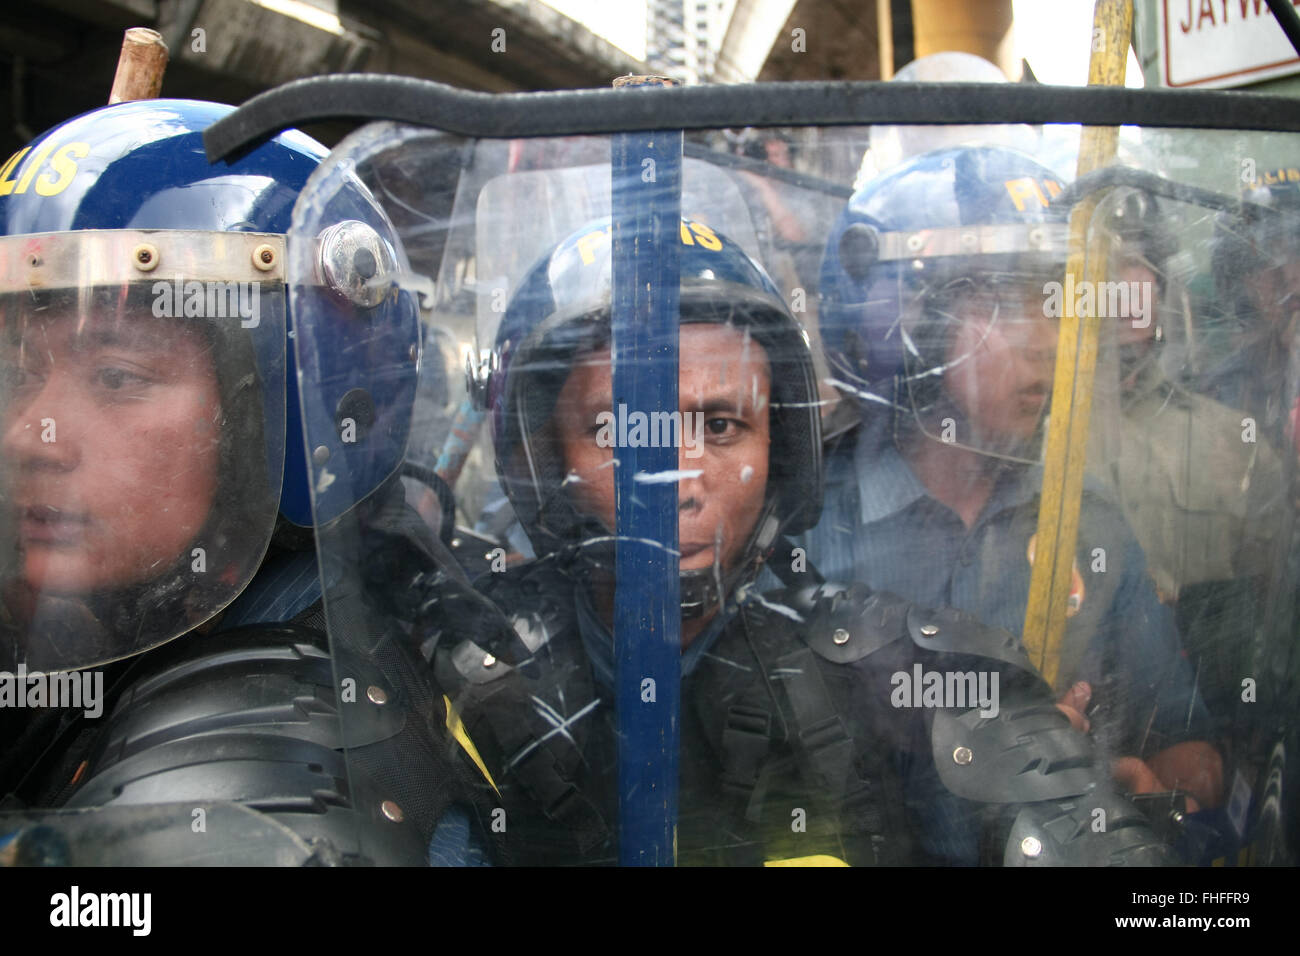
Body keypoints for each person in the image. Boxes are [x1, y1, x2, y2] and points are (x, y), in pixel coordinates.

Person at [423, 214, 1171, 866]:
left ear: (780, 448)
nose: (678, 483)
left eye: (720, 427)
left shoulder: (885, 667)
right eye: (620, 432)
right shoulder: (447, 664)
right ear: (543, 460)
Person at [0, 99, 500, 866]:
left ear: (295, 406)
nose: (28, 438)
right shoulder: (130, 621)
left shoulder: (281, 797)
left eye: (116, 375)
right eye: (22, 374)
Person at [812, 145, 1224, 859]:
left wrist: (1140, 792)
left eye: (1056, 304)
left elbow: (1191, 747)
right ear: (903, 328)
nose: (1046, 344)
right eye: (1000, 304)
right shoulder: (814, 529)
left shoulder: (1087, 518)